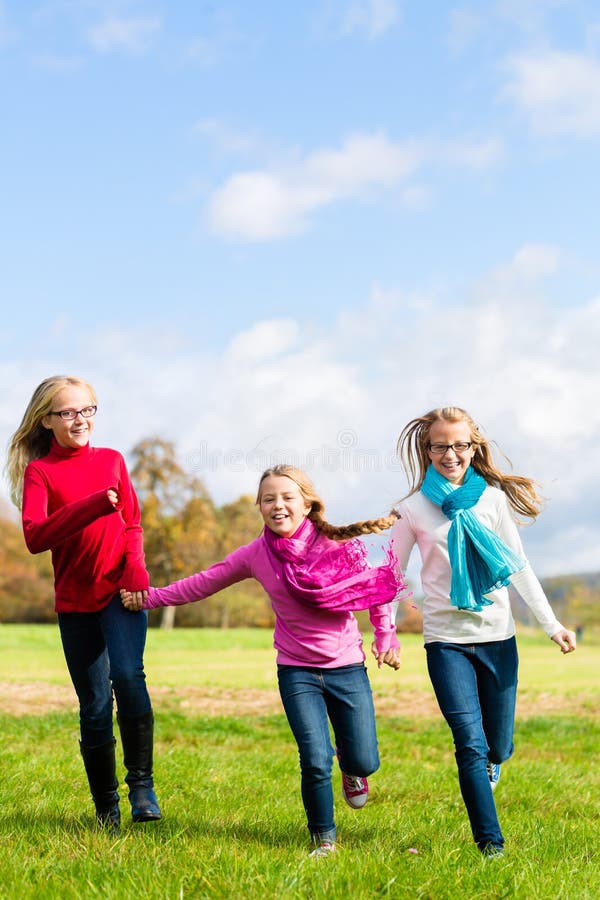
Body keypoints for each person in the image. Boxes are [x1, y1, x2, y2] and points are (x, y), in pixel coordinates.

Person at [121, 463, 408, 857]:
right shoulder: (256, 555)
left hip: (345, 667)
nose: (279, 506)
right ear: (259, 507)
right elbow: (205, 582)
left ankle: (353, 768)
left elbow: (373, 589)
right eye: (269, 499)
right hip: (296, 671)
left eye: (288, 498)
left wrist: (385, 635)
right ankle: (324, 839)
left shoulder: (333, 543)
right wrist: (149, 597)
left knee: (364, 758)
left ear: (307, 504)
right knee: (314, 759)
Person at [391, 406, 576, 858]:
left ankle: (497, 760)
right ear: (427, 448)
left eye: (459, 445)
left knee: (499, 745)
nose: (450, 454)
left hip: (498, 637)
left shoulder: (490, 500)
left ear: (473, 448)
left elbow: (518, 567)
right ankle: (490, 844)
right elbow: (390, 575)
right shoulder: (412, 508)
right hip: (445, 641)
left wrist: (551, 624)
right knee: (468, 745)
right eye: (440, 446)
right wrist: (387, 632)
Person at [5, 375, 162, 831]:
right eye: (69, 412)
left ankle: (142, 787)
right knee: (94, 704)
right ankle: (106, 806)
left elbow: (132, 522)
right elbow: (36, 536)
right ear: (47, 420)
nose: (80, 420)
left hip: (121, 591)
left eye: (88, 409)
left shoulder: (112, 460)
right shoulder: (40, 473)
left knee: (129, 677)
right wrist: (92, 505)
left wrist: (137, 570)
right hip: (75, 602)